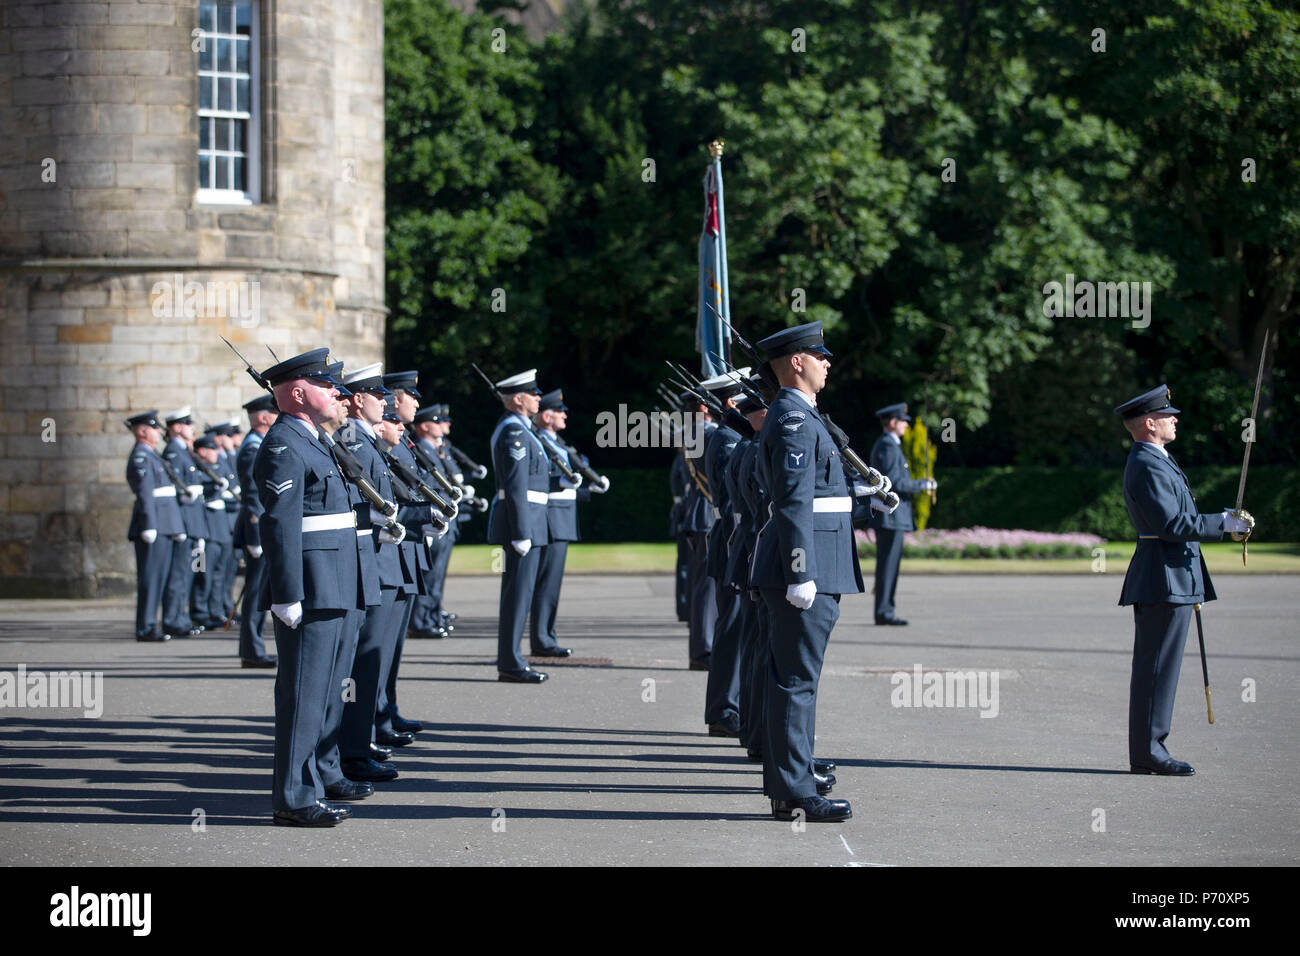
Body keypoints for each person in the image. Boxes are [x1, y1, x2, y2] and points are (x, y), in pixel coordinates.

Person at [749, 321, 861, 823]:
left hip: (816, 561)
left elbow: (821, 494)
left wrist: (863, 501)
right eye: (819, 356)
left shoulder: (801, 415)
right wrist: (799, 571)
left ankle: (794, 775)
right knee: (795, 681)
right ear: (797, 362)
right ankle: (793, 792)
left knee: (797, 679)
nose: (827, 362)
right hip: (804, 567)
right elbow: (793, 502)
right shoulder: (793, 418)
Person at [1115, 385, 1255, 775]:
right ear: (1149, 423)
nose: (1174, 419)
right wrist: (1223, 524)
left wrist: (1223, 520)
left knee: (1161, 667)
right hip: (1163, 576)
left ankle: (1151, 749)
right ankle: (1149, 752)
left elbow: (1178, 518)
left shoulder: (1157, 458)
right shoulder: (1145, 462)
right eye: (1167, 415)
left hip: (1173, 574)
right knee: (1156, 668)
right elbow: (1171, 523)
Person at [253, 348, 362, 827]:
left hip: (333, 579)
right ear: (298, 393)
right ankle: (293, 799)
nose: (338, 392)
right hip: (311, 587)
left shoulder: (312, 438)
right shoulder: (284, 443)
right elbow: (280, 525)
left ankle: (311, 784)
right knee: (302, 692)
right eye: (326, 385)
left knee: (322, 690)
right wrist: (286, 594)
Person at [487, 369, 556, 683]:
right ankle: (511, 662)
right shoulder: (513, 431)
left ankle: (513, 658)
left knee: (522, 593)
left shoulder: (524, 430)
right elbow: (516, 487)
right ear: (518, 398)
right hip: (522, 524)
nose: (539, 398)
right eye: (533, 393)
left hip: (531, 521)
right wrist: (521, 532)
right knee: (517, 595)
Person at [530, 388, 608, 657]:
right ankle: (541, 639)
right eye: (559, 411)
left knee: (552, 583)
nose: (565, 415)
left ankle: (546, 635)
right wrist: (561, 482)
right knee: (545, 582)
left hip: (561, 518)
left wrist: (589, 488)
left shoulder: (557, 442)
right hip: (550, 518)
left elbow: (570, 481)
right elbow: (536, 479)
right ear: (546, 416)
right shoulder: (538, 440)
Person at [867, 403, 936, 626]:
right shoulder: (888, 445)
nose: (906, 425)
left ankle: (886, 609)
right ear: (893, 422)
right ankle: (884, 611)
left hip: (892, 517)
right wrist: (922, 484)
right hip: (890, 517)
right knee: (888, 566)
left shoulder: (890, 444)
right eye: (903, 421)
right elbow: (894, 482)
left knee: (890, 565)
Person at [124, 410, 183, 642]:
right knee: (150, 579)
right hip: (153, 526)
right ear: (142, 431)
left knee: (159, 578)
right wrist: (149, 524)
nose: (159, 432)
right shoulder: (140, 456)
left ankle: (151, 624)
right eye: (154, 428)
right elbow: (145, 494)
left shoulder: (151, 455)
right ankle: (145, 627)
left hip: (164, 524)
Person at [236, 394, 278, 667]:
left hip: (261, 527)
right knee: (254, 592)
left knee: (259, 589)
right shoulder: (253, 447)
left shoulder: (257, 443)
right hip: (257, 528)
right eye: (273, 414)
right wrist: (255, 535)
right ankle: (251, 650)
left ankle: (253, 647)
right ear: (263, 418)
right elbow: (252, 495)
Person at [160, 407, 207, 638]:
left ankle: (180, 617)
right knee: (178, 575)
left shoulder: (184, 452)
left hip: (192, 521)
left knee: (186, 573)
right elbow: (175, 490)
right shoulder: (173, 452)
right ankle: (172, 619)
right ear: (177, 427)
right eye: (188, 424)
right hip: (183, 521)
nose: (191, 428)